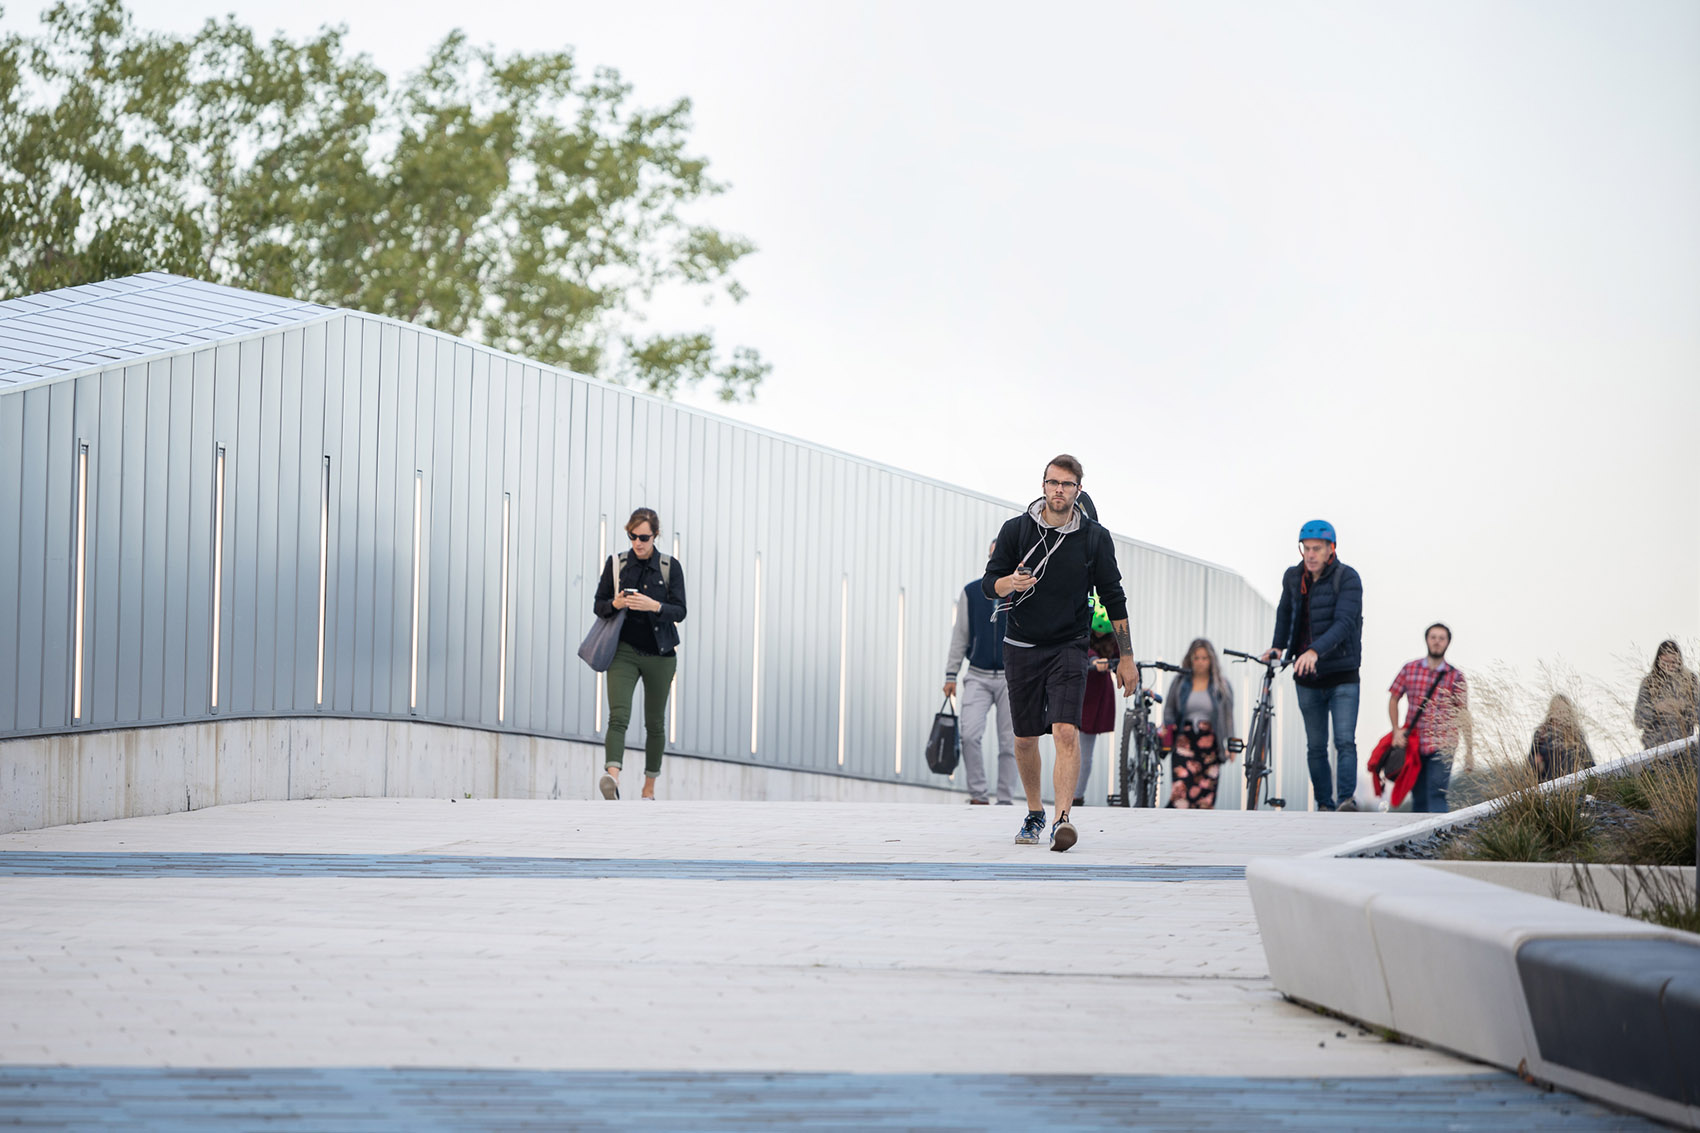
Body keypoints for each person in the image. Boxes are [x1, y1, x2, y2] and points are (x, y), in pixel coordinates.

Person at [984, 454, 1134, 852]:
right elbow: (988, 584)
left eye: (1067, 484)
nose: (1059, 490)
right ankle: (1034, 811)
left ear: (1078, 490)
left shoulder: (1094, 538)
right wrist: (1009, 583)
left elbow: (1113, 597)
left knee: (1066, 731)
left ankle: (1062, 819)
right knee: (1024, 738)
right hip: (1021, 645)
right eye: (1053, 483)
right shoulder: (1016, 530)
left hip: (1070, 645)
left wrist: (1127, 657)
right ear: (1043, 485)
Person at [1263, 520, 1363, 812]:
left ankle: (1346, 800)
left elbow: (1345, 622)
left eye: (1316, 549)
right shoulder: (1293, 577)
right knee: (1315, 746)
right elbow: (1284, 613)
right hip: (1306, 676)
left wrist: (1315, 651)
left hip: (1342, 674)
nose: (1310, 555)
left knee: (1344, 741)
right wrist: (1278, 646)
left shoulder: (1348, 578)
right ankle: (1324, 804)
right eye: (1306, 549)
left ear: (1331, 548)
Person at [593, 508, 687, 800]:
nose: (638, 542)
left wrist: (655, 606)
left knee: (655, 722)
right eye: (632, 536)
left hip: (661, 654)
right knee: (618, 716)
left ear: (655, 535)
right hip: (623, 651)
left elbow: (680, 611)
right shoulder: (617, 564)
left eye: (644, 537)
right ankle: (613, 778)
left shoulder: (670, 566)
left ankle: (649, 787)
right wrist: (617, 603)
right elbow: (599, 605)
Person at [943, 539, 1018, 805]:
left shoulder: (1023, 594)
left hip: (1013, 678)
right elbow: (960, 635)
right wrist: (951, 674)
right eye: (992, 556)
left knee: (1011, 743)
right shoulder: (973, 592)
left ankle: (1006, 799)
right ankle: (978, 795)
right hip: (978, 674)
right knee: (969, 734)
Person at [1387, 623, 1475, 814]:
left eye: (1441, 638)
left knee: (1437, 793)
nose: (1437, 642)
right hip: (1415, 743)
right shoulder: (1410, 669)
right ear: (1427, 639)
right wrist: (1396, 730)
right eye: (1433, 637)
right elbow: (1394, 698)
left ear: (1448, 643)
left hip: (1444, 743)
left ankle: (1441, 840)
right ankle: (1418, 841)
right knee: (1418, 795)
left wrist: (1469, 750)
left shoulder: (1456, 676)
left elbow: (1463, 714)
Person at [1161, 638, 1237, 809]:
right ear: (1190, 660)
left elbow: (1228, 716)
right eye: (1196, 658)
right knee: (1181, 792)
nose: (1200, 662)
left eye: (1204, 658)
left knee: (1205, 797)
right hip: (1184, 742)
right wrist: (1167, 730)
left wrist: (1231, 745)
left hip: (1210, 744)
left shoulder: (1221, 685)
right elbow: (1169, 709)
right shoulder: (1180, 682)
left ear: (1211, 660)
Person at [1072, 600, 1120, 807]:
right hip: (1079, 691)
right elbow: (1082, 650)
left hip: (1097, 697)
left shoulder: (1115, 640)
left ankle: (1077, 795)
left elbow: (1120, 661)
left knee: (1086, 751)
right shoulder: (1081, 631)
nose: (1100, 636)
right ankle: (1069, 791)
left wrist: (1124, 671)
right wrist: (1093, 661)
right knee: (1069, 745)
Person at [1633, 640, 1700, 750]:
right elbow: (1639, 721)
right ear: (1658, 660)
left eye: (1673, 662)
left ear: (1679, 661)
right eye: (1665, 662)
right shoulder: (1649, 683)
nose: (1669, 666)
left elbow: (1698, 715)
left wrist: (1684, 707)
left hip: (1685, 747)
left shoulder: (1690, 680)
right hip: (1655, 749)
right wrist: (1657, 708)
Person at [1529, 694, 1594, 782]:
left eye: (1563, 710)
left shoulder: (1575, 734)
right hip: (1548, 786)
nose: (1559, 713)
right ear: (1551, 710)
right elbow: (1530, 762)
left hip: (1574, 785)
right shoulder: (1541, 733)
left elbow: (1589, 763)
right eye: (1556, 709)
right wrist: (1536, 762)